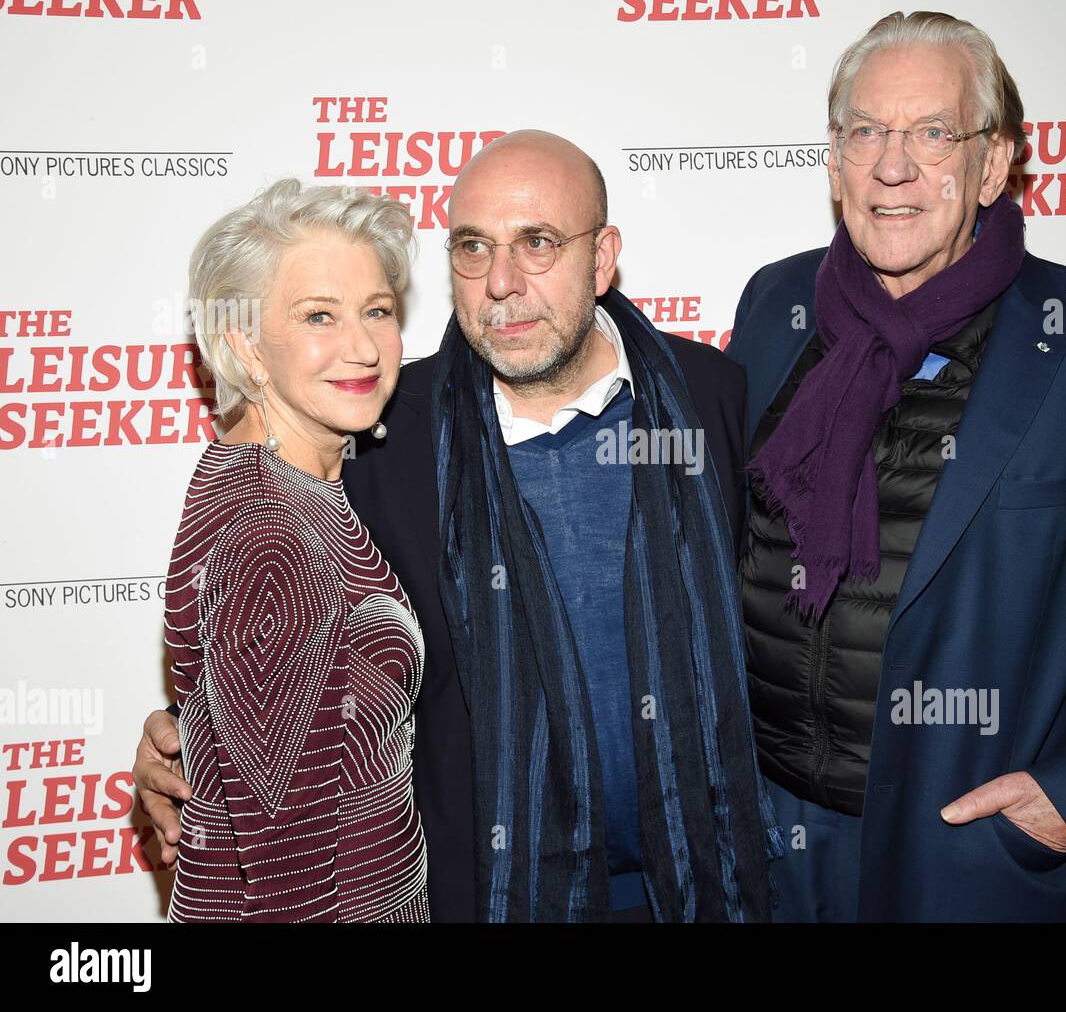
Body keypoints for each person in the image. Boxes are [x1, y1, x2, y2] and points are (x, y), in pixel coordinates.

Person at [137, 131, 780, 922]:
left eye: (537, 243)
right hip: (490, 896)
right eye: (473, 248)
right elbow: (277, 648)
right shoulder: (384, 431)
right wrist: (196, 738)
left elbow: (788, 631)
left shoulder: (709, 398)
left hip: (702, 882)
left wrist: (205, 732)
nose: (501, 283)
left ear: (602, 257)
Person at [726, 10, 1066, 922]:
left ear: (995, 163)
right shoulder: (776, 306)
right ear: (834, 155)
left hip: (972, 870)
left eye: (934, 133)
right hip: (768, 861)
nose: (893, 166)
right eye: (866, 132)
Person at [161, 179, 428, 921]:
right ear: (244, 342)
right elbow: (286, 872)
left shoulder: (283, 484)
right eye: (319, 316)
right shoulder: (273, 534)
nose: (363, 345)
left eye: (377, 310)